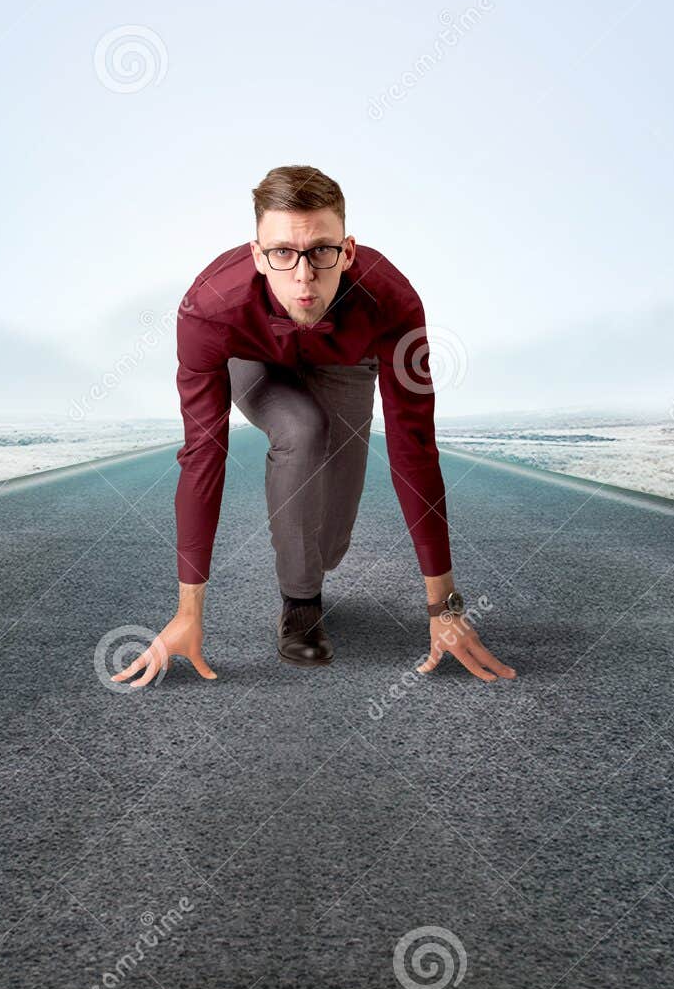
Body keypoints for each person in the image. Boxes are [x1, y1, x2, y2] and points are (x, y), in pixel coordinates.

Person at [113, 164, 515, 686]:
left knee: (330, 545)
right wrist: (189, 612)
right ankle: (301, 606)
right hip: (254, 361)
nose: (303, 277)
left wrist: (444, 607)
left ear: (347, 252)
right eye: (282, 253)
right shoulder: (206, 309)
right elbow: (202, 455)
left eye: (321, 252)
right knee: (302, 428)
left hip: (347, 361)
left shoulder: (393, 301)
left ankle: (315, 564)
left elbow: (414, 445)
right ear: (257, 256)